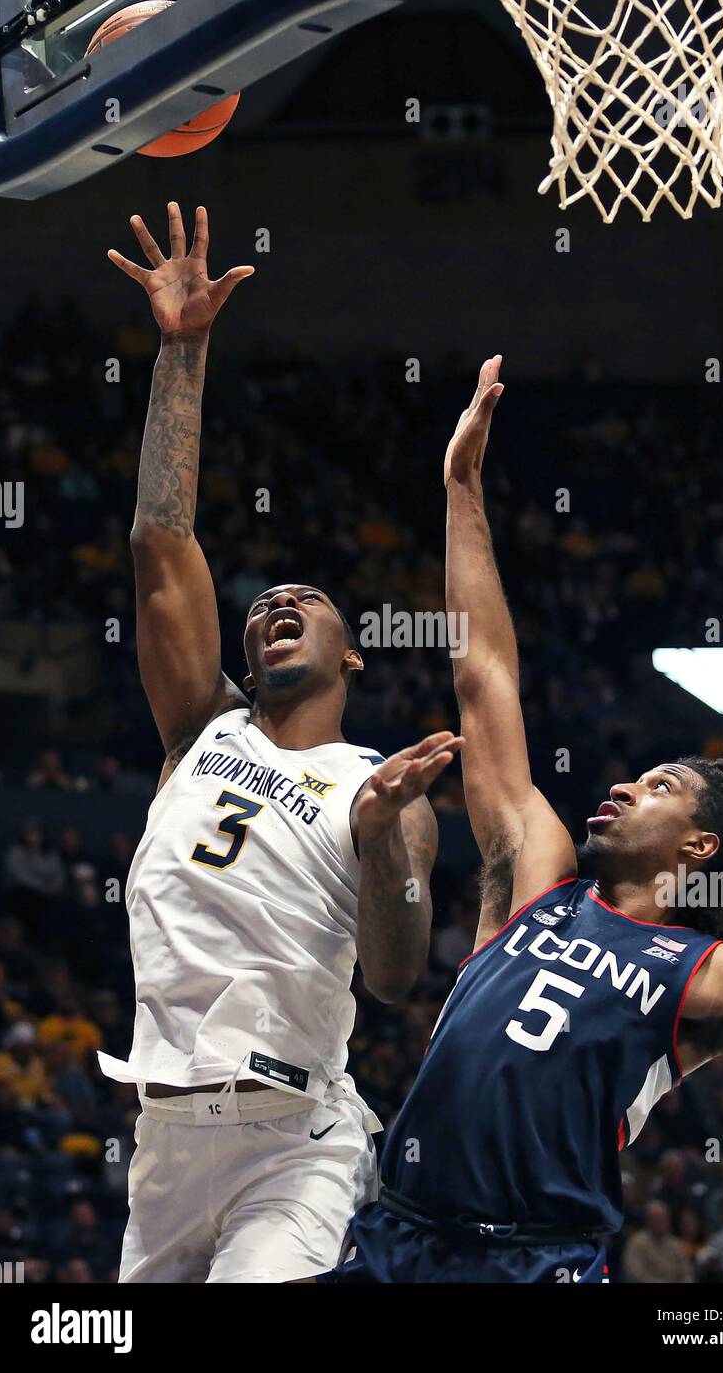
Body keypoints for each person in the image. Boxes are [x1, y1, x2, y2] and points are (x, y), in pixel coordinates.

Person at [322, 357, 723, 1283]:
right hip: (393, 1238)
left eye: (657, 786)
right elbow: (483, 675)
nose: (620, 788)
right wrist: (461, 491)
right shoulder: (539, 878)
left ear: (699, 846)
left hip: (540, 1263)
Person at [101, 204, 460, 1283]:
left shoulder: (377, 786)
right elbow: (161, 543)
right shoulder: (200, 729)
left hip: (291, 1133)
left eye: (306, 598)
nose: (278, 602)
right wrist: (182, 350)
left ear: (353, 658)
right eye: (264, 603)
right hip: (164, 1136)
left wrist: (381, 840)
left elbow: (396, 976)